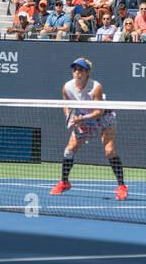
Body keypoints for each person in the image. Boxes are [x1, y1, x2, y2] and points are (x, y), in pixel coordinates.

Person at [50, 58, 126, 200]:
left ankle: (121, 186)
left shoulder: (96, 87)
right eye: (75, 69)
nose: (77, 72)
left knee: (109, 151)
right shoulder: (67, 87)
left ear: (88, 73)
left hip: (104, 118)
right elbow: (65, 103)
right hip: (84, 118)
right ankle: (64, 182)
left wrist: (81, 119)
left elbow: (98, 111)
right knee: (69, 149)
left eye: (81, 70)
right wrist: (69, 117)